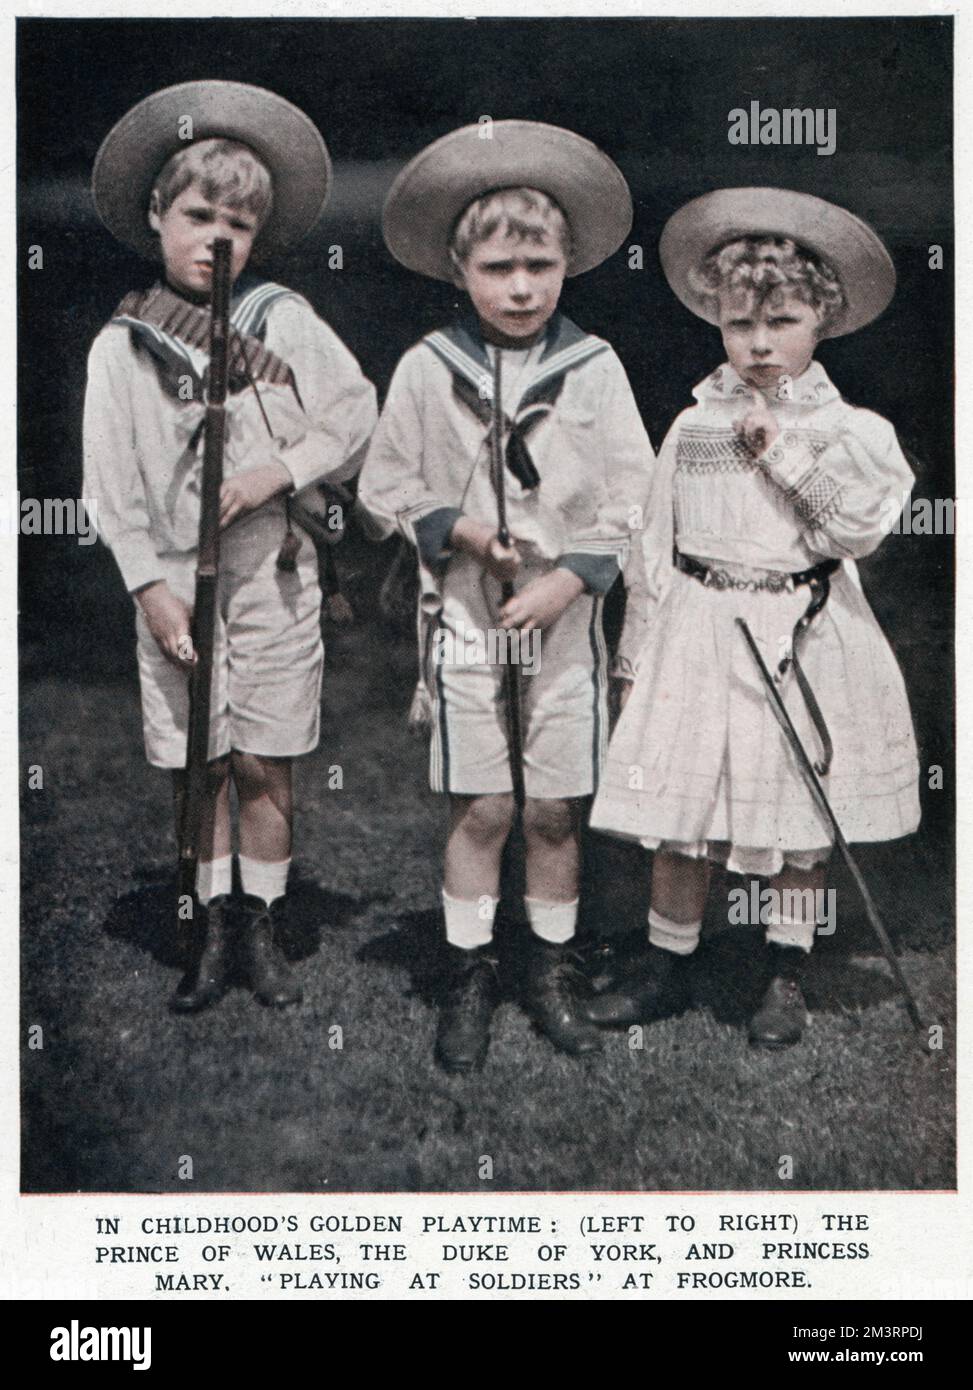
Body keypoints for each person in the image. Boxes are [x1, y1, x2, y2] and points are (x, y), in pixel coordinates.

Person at [587, 187, 921, 1047]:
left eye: (780, 321)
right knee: (683, 809)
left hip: (801, 629)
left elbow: (854, 530)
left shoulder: (853, 431)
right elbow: (651, 547)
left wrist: (782, 455)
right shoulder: (694, 424)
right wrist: (635, 658)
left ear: (822, 319)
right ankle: (668, 956)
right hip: (699, 628)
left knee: (797, 813)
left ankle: (785, 964)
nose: (759, 344)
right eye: (739, 325)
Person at [359, 120, 653, 1072]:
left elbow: (632, 497)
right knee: (483, 806)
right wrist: (467, 532)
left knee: (553, 809)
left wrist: (570, 577)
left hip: (564, 623)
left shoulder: (595, 368)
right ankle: (470, 969)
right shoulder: (424, 368)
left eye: (538, 264)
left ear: (567, 263)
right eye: (497, 268)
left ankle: (550, 969)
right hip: (468, 621)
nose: (520, 287)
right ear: (458, 271)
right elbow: (385, 485)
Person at [83, 81, 377, 1012]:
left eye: (239, 225)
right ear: (155, 217)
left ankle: (263, 924)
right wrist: (149, 591)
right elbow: (110, 489)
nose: (217, 238)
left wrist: (274, 474)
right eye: (198, 214)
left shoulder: (278, 321)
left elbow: (352, 413)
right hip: (172, 577)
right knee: (202, 759)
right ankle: (210, 927)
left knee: (264, 757)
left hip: (272, 572)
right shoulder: (121, 347)